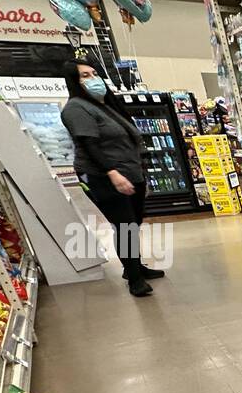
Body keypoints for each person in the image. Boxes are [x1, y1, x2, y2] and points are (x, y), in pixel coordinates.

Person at [60, 59, 164, 297]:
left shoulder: (105, 105)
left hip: (129, 172)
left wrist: (140, 175)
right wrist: (113, 173)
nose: (93, 79)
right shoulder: (76, 108)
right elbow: (90, 144)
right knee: (125, 225)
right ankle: (135, 280)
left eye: (94, 73)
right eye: (85, 76)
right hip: (103, 176)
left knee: (133, 223)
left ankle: (135, 267)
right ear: (74, 82)